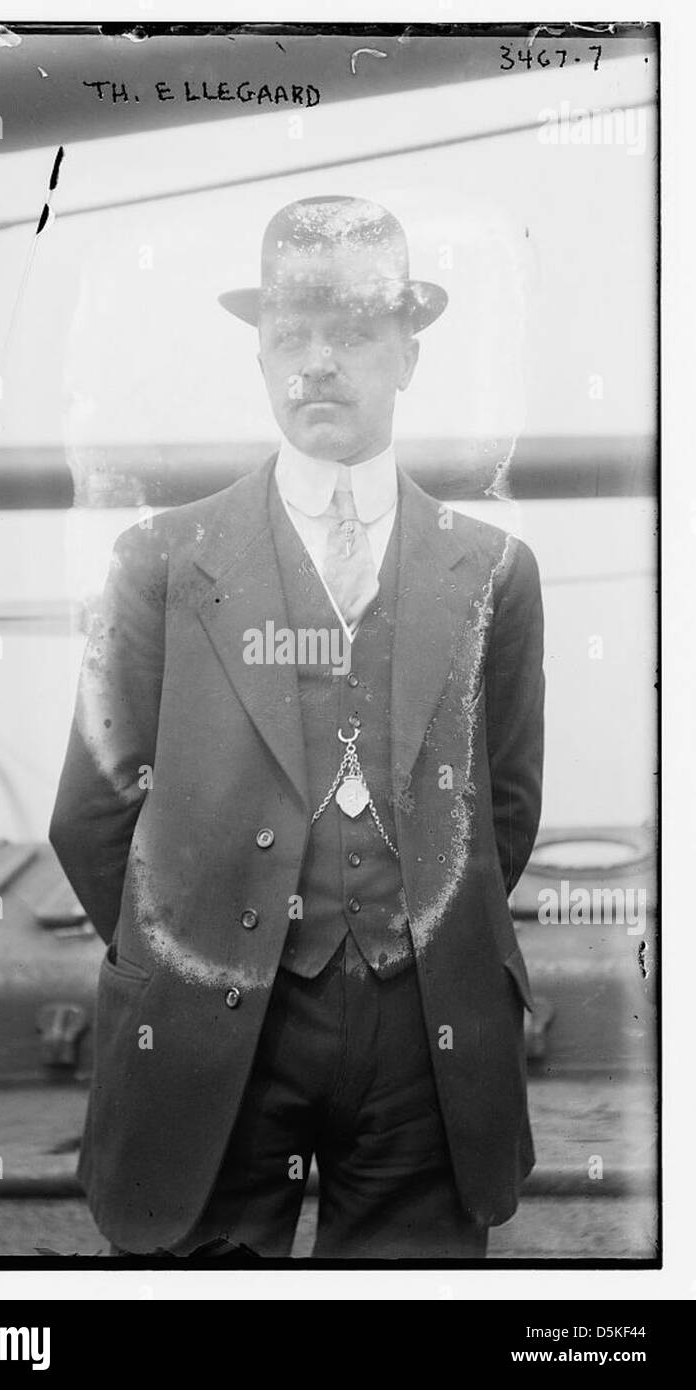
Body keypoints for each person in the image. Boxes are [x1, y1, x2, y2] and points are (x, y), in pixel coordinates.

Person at [50, 195, 545, 1259]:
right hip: (208, 1037)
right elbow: (92, 815)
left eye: (354, 331)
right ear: (261, 357)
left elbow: (500, 811)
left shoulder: (495, 572)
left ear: (408, 353)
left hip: (425, 1043)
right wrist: (194, 955)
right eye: (290, 336)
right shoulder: (160, 562)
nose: (317, 363)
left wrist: (404, 950)